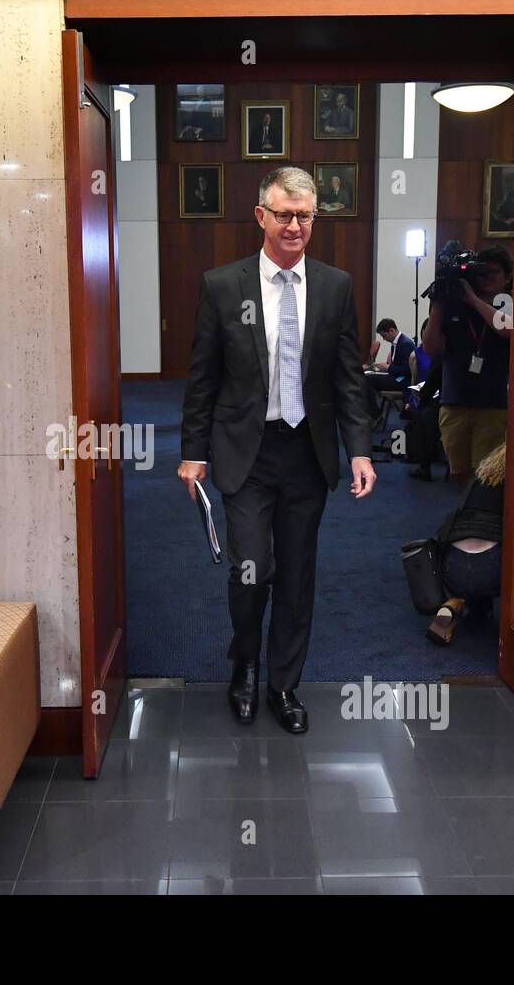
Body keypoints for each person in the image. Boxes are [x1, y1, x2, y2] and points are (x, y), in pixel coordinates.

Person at [178, 166, 376, 734]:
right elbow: (202, 379)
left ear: (314, 219)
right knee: (250, 572)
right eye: (284, 214)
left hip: (307, 455)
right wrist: (194, 452)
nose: (294, 225)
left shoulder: (335, 287)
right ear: (260, 216)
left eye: (305, 216)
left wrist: (359, 449)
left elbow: (347, 379)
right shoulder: (223, 286)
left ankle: (283, 684)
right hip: (246, 452)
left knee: (295, 575)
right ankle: (245, 663)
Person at [419, 246, 512, 485]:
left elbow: (508, 330)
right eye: (483, 273)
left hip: (492, 405)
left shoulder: (510, 304)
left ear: (508, 277)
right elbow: (431, 348)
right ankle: (470, 517)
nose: (487, 278)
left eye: (494, 273)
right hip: (454, 402)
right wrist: (438, 305)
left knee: (486, 476)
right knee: (459, 472)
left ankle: (480, 519)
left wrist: (472, 298)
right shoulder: (455, 307)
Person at [426, 442, 505, 645]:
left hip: (451, 567)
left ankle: (455, 602)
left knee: (479, 550)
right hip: (490, 567)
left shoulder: (482, 475)